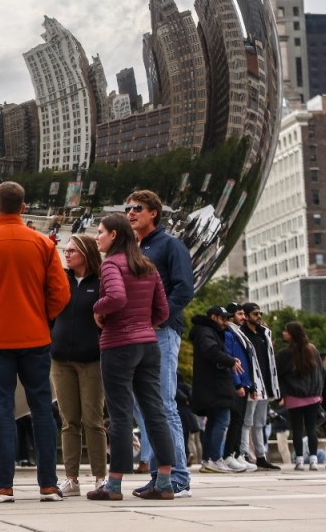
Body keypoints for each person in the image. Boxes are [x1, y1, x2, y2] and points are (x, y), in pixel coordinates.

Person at [0, 181, 69, 503]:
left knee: (1, 408)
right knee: (42, 408)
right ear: (23, 207)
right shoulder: (43, 244)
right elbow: (61, 294)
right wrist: (40, 316)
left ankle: (3, 485)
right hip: (35, 336)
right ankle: (48, 484)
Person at [86, 213, 177, 501]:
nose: (97, 236)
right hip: (149, 346)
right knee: (155, 411)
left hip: (118, 345)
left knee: (121, 414)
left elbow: (116, 298)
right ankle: (163, 481)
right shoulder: (146, 265)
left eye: (100, 232)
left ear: (114, 235)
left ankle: (113, 485)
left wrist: (97, 310)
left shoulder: (112, 263)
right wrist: (142, 324)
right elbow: (163, 311)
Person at [125, 190, 193, 498]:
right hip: (135, 334)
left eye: (137, 208)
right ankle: (158, 475)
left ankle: (177, 477)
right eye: (128, 208)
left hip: (161, 332)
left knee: (164, 404)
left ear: (154, 212)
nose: (131, 212)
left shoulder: (170, 245)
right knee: (144, 406)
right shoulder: (133, 249)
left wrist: (159, 318)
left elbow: (184, 288)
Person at [49, 233, 106, 497]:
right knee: (68, 421)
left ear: (86, 253)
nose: (67, 254)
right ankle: (71, 479)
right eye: (66, 250)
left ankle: (100, 478)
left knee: (93, 421)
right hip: (61, 361)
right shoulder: (60, 279)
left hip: (92, 361)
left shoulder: (102, 281)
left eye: (72, 250)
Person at [189, 305, 239, 473]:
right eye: (223, 318)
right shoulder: (206, 332)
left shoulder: (207, 332)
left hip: (212, 385)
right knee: (222, 420)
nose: (226, 322)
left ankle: (209, 458)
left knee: (214, 422)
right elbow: (211, 351)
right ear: (213, 318)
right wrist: (230, 361)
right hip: (215, 385)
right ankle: (214, 458)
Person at [237, 302, 281, 470]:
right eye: (255, 314)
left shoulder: (264, 334)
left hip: (265, 383)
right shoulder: (242, 335)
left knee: (260, 422)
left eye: (260, 313)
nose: (259, 317)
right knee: (247, 421)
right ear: (247, 316)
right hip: (252, 383)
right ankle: (244, 454)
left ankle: (261, 456)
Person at [276, 320, 324, 470]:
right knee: (311, 429)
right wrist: (318, 392)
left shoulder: (284, 354)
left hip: (294, 397)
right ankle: (314, 461)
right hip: (313, 397)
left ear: (291, 334)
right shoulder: (313, 350)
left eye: (286, 331)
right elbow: (321, 372)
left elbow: (277, 374)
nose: (284, 333)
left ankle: (300, 461)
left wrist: (282, 393)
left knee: (297, 429)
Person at [221, 303, 257, 472]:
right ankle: (229, 454)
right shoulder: (229, 334)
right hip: (238, 383)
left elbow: (249, 361)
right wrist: (237, 383)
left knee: (240, 420)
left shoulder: (240, 334)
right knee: (235, 420)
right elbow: (230, 360)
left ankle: (237, 454)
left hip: (246, 382)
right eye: (240, 314)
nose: (243, 317)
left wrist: (253, 385)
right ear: (231, 316)